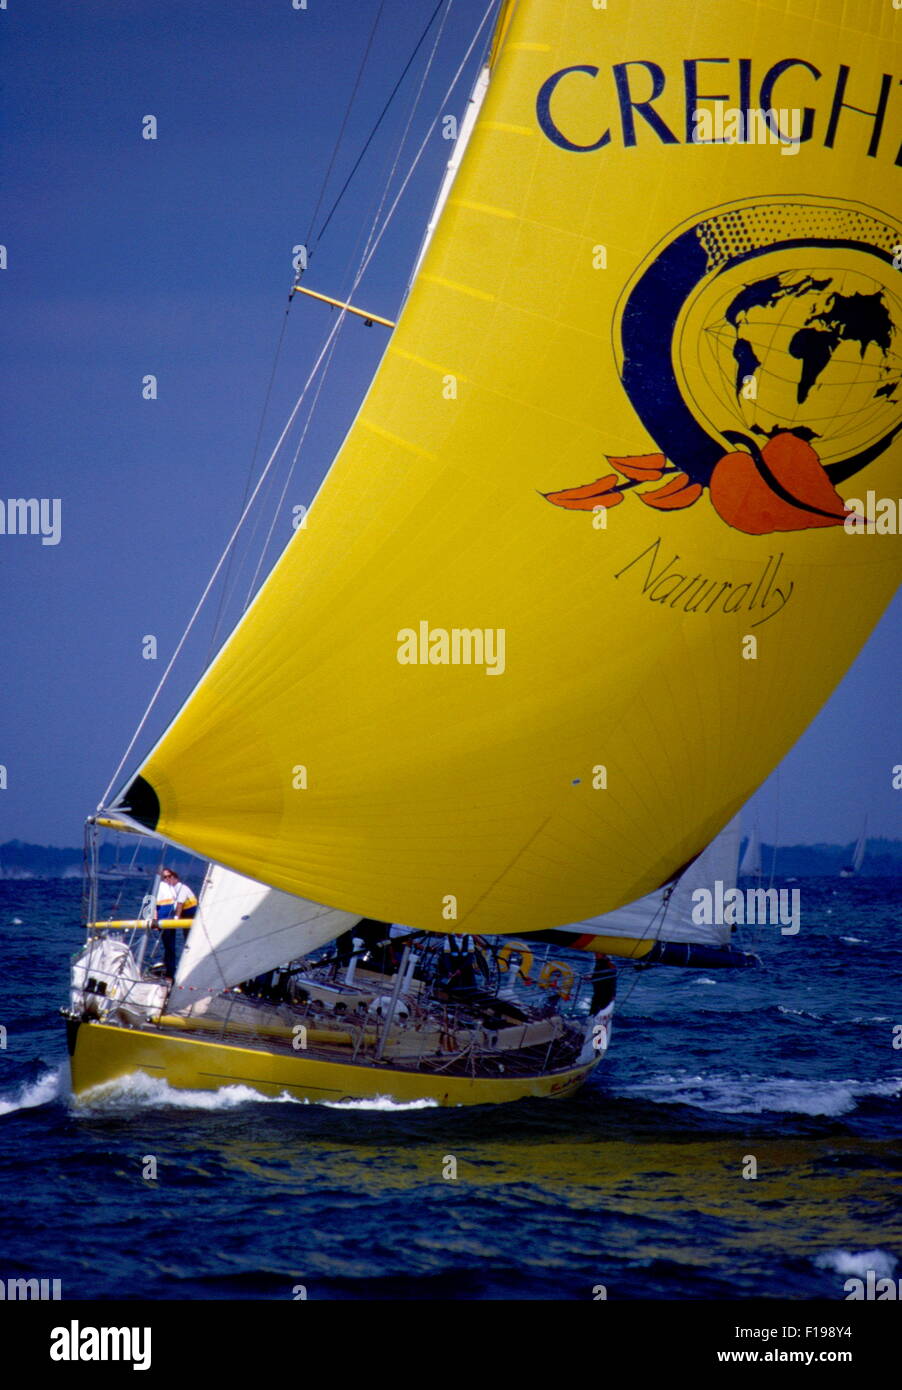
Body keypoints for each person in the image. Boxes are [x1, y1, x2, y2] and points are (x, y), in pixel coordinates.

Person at [155, 867, 197, 978]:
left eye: (169, 876)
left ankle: (189, 967)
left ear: (175, 877)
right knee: (170, 946)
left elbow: (179, 904)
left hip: (190, 916)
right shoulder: (169, 889)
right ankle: (170, 968)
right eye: (164, 877)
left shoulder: (180, 888)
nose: (167, 879)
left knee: (189, 941)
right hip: (179, 917)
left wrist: (176, 918)